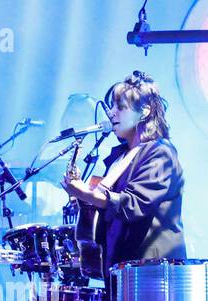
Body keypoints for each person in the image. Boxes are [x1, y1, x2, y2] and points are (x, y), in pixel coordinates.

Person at [62, 70, 186, 272]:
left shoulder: (160, 153)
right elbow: (107, 210)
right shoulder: (119, 157)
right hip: (120, 268)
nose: (111, 113)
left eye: (120, 107)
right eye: (111, 106)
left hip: (152, 271)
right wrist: (82, 201)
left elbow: (135, 205)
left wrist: (85, 194)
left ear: (144, 112)